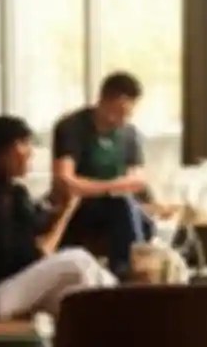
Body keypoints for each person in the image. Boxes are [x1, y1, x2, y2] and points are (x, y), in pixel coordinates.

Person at [0, 116, 116, 321]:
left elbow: (35, 228)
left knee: (78, 290)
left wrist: (57, 207)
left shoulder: (15, 193)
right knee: (78, 260)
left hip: (13, 290)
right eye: (22, 143)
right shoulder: (2, 199)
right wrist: (68, 210)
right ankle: (127, 307)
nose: (29, 151)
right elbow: (41, 253)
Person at [52, 71, 150, 276]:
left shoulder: (129, 134)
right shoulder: (72, 127)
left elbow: (137, 180)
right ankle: (126, 272)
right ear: (103, 100)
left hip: (119, 204)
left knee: (147, 222)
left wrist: (124, 188)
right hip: (78, 206)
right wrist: (113, 187)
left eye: (127, 114)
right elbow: (66, 181)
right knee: (122, 205)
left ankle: (139, 271)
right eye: (117, 112)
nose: (121, 121)